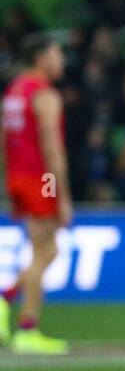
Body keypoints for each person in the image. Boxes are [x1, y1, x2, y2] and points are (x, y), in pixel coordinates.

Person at [0, 35, 72, 354]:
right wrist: (63, 195)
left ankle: (8, 298)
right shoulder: (43, 94)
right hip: (40, 177)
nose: (62, 61)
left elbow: (4, 139)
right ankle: (27, 327)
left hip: (18, 176)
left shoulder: (14, 91)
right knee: (44, 250)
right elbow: (51, 147)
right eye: (57, 54)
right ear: (41, 58)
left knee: (46, 250)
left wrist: (6, 177)